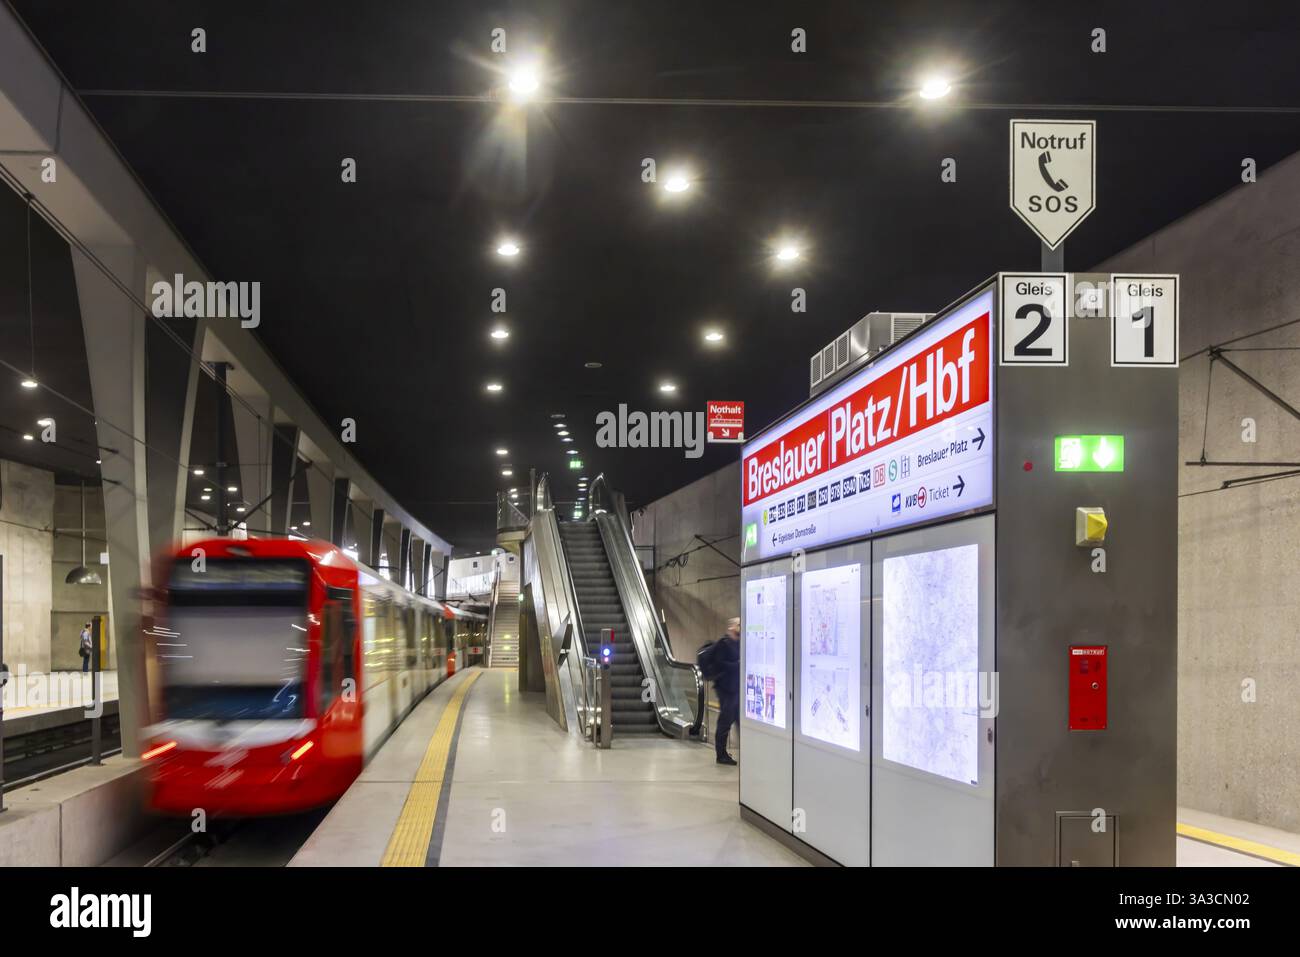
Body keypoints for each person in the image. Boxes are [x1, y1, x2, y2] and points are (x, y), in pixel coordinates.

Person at [713, 617, 741, 766]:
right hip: (725, 689)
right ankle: (721, 754)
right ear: (731, 627)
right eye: (739, 625)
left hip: (735, 688)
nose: (741, 627)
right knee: (725, 721)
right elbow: (719, 664)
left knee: (739, 720)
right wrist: (737, 665)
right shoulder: (723, 643)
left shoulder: (738, 643)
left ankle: (746, 749)